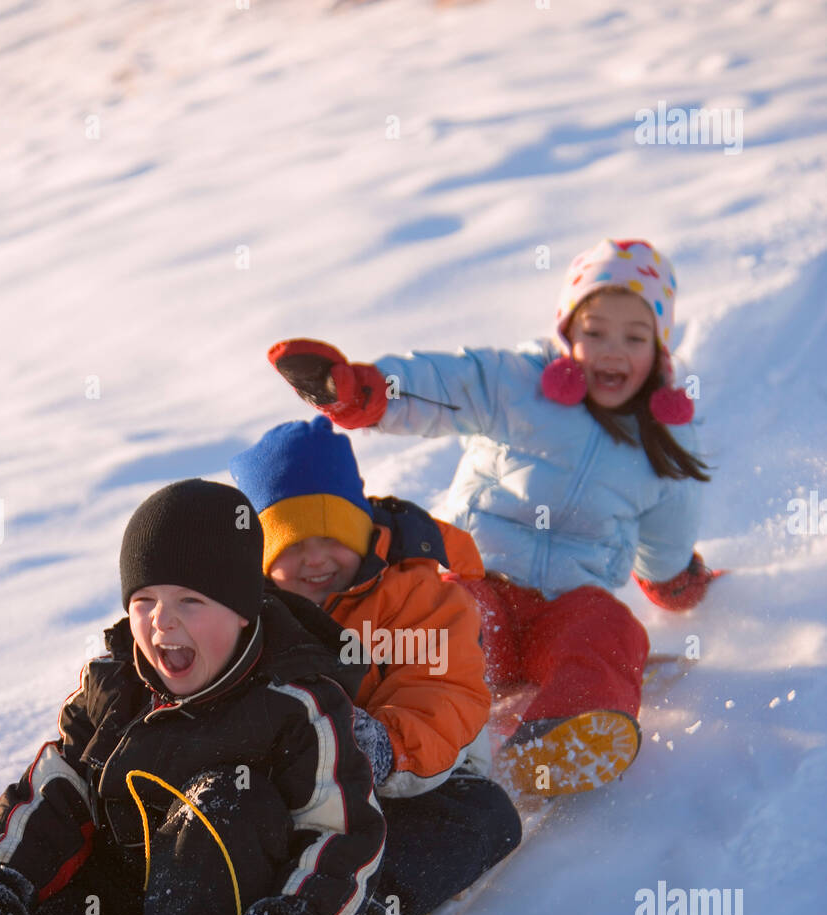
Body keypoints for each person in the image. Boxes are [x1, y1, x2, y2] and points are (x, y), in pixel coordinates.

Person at [0, 479, 386, 915]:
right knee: (3, 849)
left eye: (191, 600)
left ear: (244, 609)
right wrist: (2, 884)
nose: (162, 622)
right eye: (145, 600)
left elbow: (341, 833)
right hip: (128, 901)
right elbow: (58, 788)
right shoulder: (113, 687)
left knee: (222, 801)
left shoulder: (294, 704)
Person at [265, 237, 723, 797]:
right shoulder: (519, 384)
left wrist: (675, 579)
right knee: (444, 628)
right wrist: (367, 392)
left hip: (570, 604)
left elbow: (669, 528)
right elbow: (446, 383)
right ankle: (420, 728)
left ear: (659, 347)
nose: (611, 351)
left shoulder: (666, 438)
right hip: (483, 583)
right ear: (567, 333)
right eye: (594, 331)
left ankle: (564, 731)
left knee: (614, 632)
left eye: (634, 337)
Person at [229, 417, 522, 915]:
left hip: (414, 777)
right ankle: (265, 907)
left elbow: (443, 690)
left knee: (484, 816)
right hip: (299, 793)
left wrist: (380, 744)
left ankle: (367, 901)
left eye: (331, 537)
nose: (315, 559)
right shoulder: (244, 612)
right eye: (293, 545)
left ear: (361, 529)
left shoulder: (415, 592)